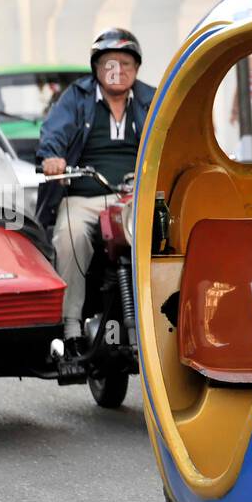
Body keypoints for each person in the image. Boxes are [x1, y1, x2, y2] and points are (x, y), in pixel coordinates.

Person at [36, 28, 155, 358]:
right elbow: (54, 133)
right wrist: (52, 158)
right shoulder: (76, 97)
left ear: (137, 67)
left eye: (126, 63)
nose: (119, 70)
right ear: (97, 68)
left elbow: (173, 136)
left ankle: (168, 319)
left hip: (138, 198)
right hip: (86, 196)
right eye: (110, 63)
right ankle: (70, 327)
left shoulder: (153, 98)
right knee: (68, 235)